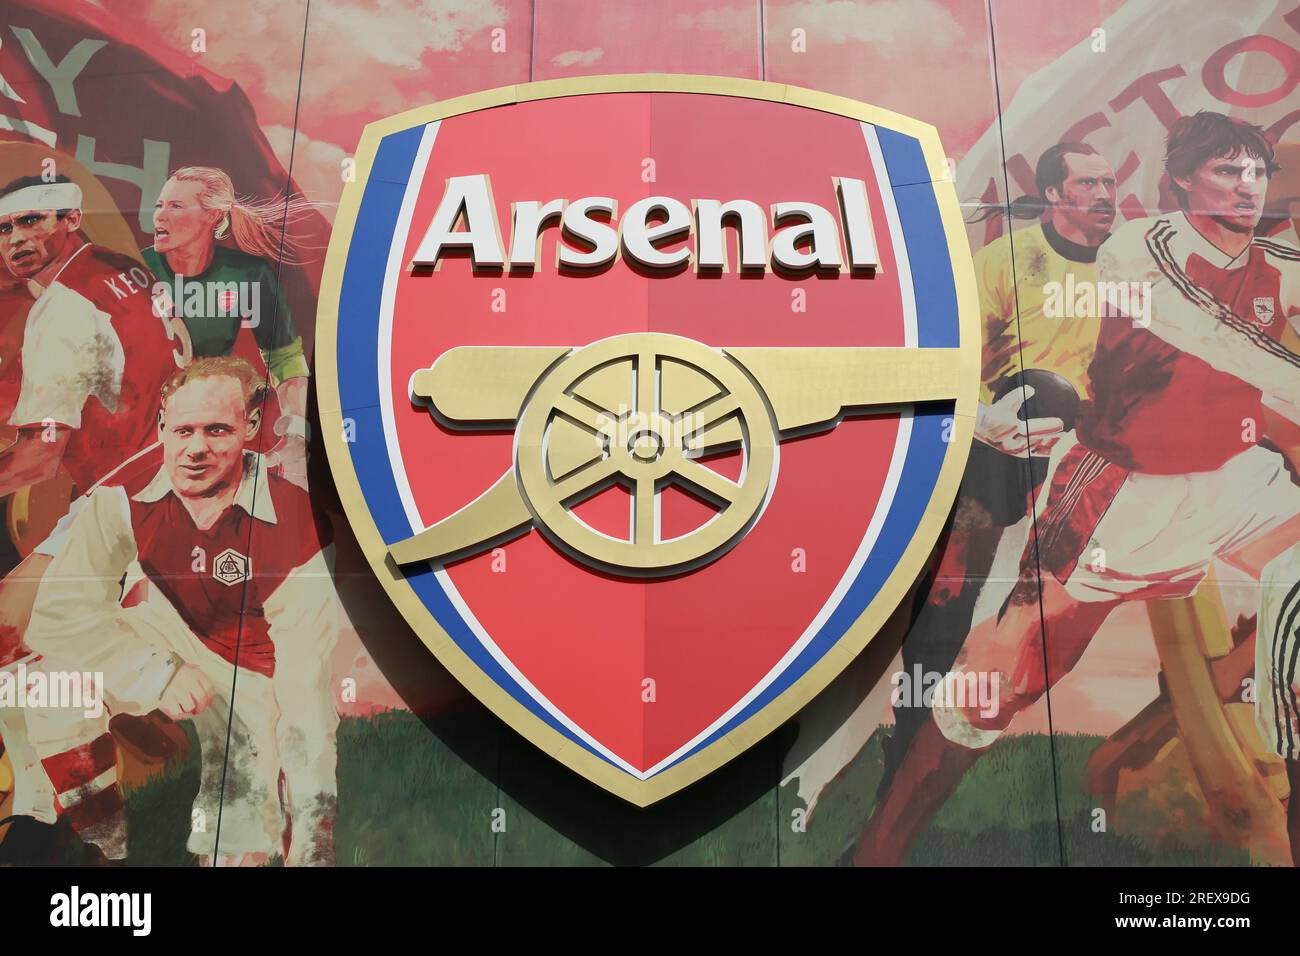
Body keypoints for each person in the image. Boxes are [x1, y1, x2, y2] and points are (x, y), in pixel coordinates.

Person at [855, 111, 1300, 865]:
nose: (1247, 186)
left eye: (1256, 172)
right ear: (1180, 184)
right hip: (1122, 494)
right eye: (1227, 171)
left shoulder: (1280, 260)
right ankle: (875, 852)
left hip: (1237, 480)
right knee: (997, 686)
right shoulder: (1142, 247)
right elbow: (1235, 350)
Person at [19, 355, 340, 865]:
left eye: (217, 430)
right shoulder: (123, 495)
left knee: (237, 849)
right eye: (183, 430)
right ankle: (104, 842)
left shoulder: (295, 528)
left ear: (250, 427)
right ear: (163, 426)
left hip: (258, 673)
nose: (195, 449)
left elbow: (304, 693)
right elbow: (59, 615)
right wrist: (157, 673)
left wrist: (312, 828)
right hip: (171, 631)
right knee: (48, 683)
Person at [875, 143, 1117, 797]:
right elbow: (950, 352)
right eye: (1090, 181)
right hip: (997, 455)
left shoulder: (1135, 270)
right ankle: (907, 740)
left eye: (1111, 182)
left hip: (1085, 461)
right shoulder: (1005, 262)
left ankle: (962, 747)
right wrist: (987, 421)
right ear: (1056, 193)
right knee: (950, 596)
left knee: (1042, 610)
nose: (1105, 194)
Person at [0, 173, 189, 857]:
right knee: (19, 644)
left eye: (34, 222)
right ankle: (42, 805)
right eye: (6, 230)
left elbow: (39, 456)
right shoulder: (120, 272)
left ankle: (95, 841)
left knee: (32, 646)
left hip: (132, 495)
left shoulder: (62, 310)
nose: (19, 240)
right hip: (157, 479)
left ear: (71, 217)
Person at [143, 166, 313, 489]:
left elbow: (286, 363)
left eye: (175, 206)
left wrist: (294, 436)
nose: (159, 217)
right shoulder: (138, 270)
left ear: (214, 215)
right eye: (159, 205)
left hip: (203, 432)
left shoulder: (249, 275)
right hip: (140, 435)